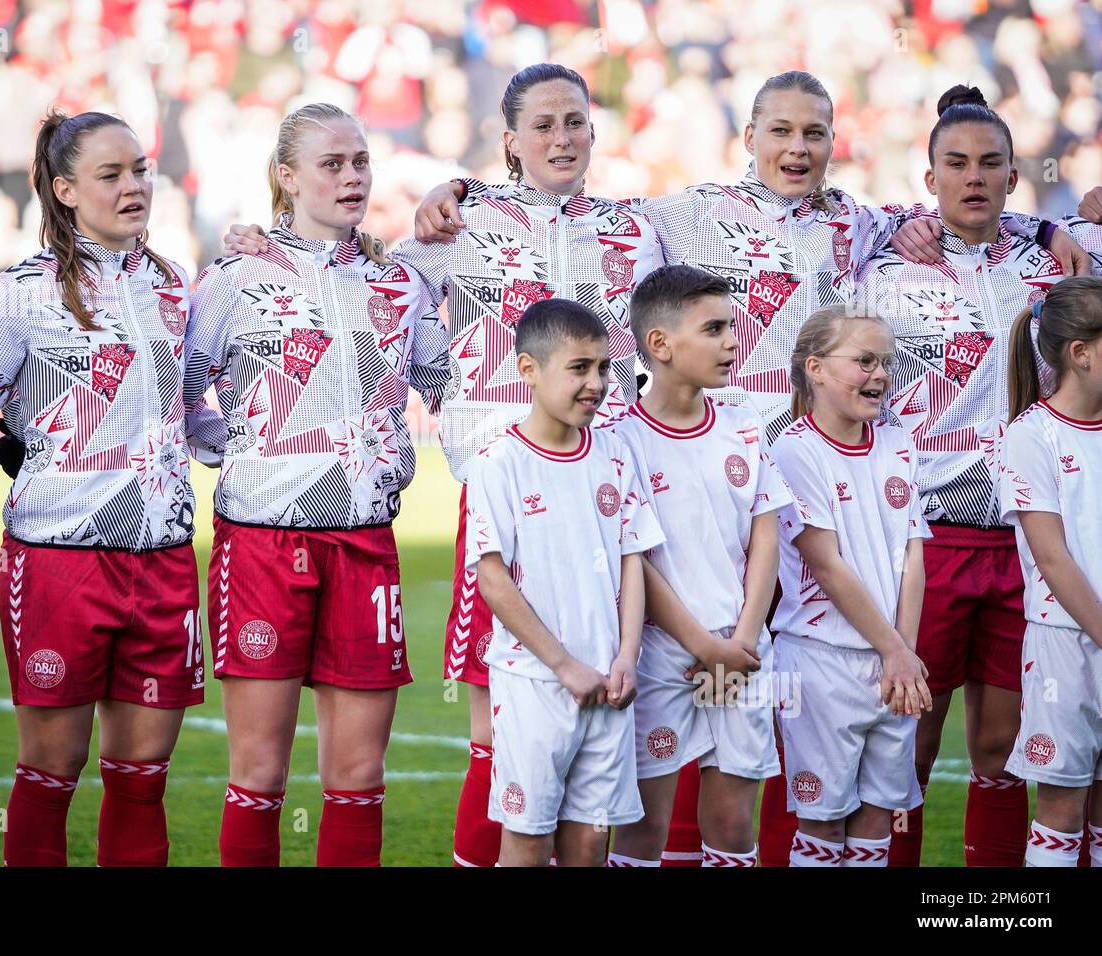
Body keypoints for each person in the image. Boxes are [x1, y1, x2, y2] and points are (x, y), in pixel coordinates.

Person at [413, 69, 1086, 867]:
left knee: (761, 715)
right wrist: (452, 189)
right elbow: (467, 265)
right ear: (749, 139)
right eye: (780, 132)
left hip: (802, 500)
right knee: (596, 713)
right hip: (683, 494)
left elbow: (964, 205)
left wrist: (1048, 231)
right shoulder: (680, 214)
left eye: (813, 134)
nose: (796, 149)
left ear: (833, 144)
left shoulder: (857, 224)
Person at [223, 63, 665, 868]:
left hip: (612, 505)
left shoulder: (642, 228)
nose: (563, 138)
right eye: (543, 125)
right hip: (504, 507)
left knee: (622, 718)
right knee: (501, 729)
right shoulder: (453, 233)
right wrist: (267, 243)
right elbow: (367, 285)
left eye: (576, 121)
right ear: (509, 141)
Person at [185, 102, 450, 867]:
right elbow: (181, 391)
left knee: (359, 777)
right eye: (332, 164)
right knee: (259, 776)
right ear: (287, 176)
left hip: (366, 546)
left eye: (360, 162)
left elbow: (448, 387)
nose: (352, 177)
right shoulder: (235, 276)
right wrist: (231, 447)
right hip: (263, 544)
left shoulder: (396, 283)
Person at [0, 111, 206, 867]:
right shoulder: (20, 292)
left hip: (164, 560)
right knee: (52, 771)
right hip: (60, 565)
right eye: (111, 175)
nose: (134, 185)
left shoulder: (173, 284)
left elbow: (190, 412)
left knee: (142, 780)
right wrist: (21, 444)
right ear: (65, 190)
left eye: (140, 168)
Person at [859, 86, 1069, 867]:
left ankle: (995, 913)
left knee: (1005, 745)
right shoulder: (880, 267)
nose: (973, 177)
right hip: (924, 540)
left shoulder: (1056, 262)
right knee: (909, 743)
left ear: (1016, 176)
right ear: (930, 177)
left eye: (990, 164)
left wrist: (1051, 226)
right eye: (956, 164)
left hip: (1028, 543)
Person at [465, 297, 663, 866]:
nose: (596, 383)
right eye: (579, 368)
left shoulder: (614, 452)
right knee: (527, 838)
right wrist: (563, 665)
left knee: (589, 840)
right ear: (528, 369)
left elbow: (632, 558)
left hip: (609, 681)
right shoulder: (498, 462)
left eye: (603, 368)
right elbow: (494, 582)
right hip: (536, 683)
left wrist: (626, 655)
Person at [604, 265, 788, 868]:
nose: (732, 342)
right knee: (642, 825)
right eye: (713, 329)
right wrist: (699, 642)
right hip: (661, 654)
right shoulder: (617, 439)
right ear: (659, 345)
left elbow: (767, 536)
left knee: (735, 822)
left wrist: (740, 638)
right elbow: (633, 558)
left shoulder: (743, 425)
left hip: (741, 650)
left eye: (731, 327)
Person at [769, 305, 930, 866]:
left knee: (876, 818)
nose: (880, 375)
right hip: (821, 661)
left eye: (885, 361)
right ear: (814, 368)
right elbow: (827, 564)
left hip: (892, 665)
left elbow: (913, 554)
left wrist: (902, 654)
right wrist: (895, 650)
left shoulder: (897, 441)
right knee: (822, 820)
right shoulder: (794, 450)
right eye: (863, 361)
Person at [1000, 277, 1102, 867]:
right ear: (1080, 354)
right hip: (1065, 642)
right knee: (1064, 802)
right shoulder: (1030, 436)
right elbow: (1053, 556)